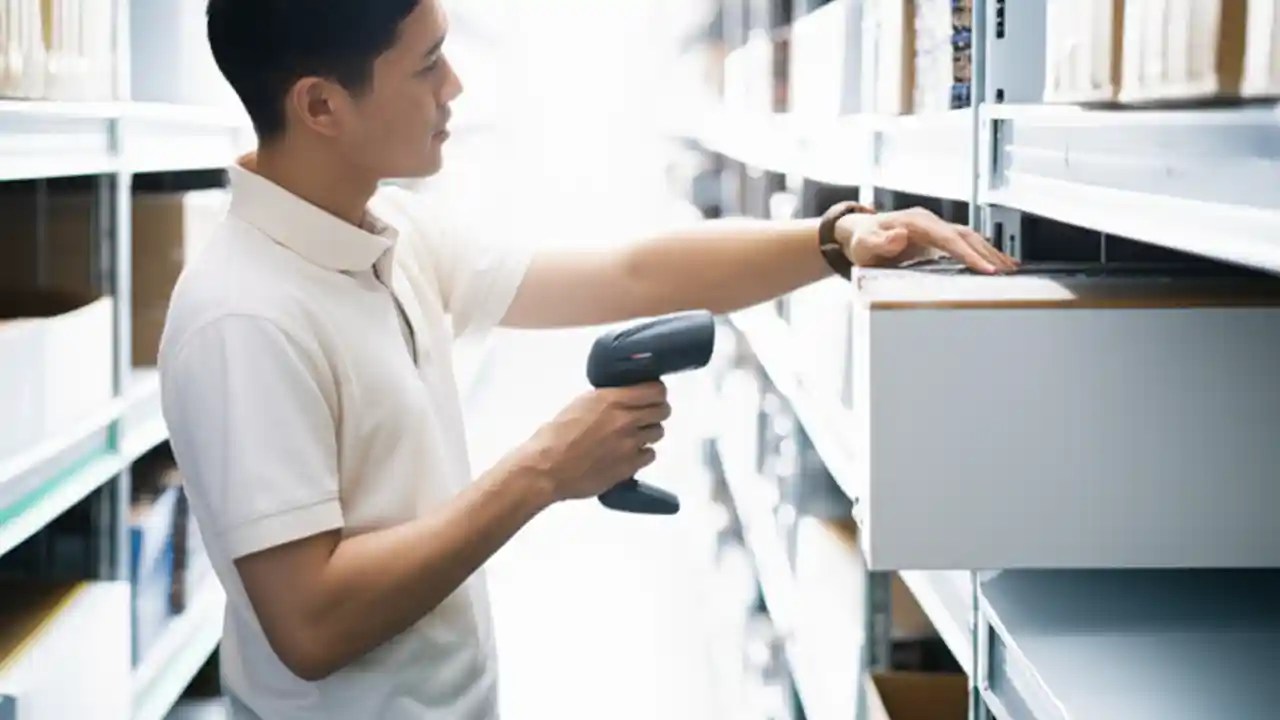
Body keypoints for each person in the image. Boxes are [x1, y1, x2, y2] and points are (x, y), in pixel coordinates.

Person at [160, 1, 1017, 718]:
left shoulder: (391, 234)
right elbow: (310, 625)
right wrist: (544, 469)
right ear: (321, 106)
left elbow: (629, 272)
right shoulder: (244, 316)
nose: (453, 88)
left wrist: (838, 238)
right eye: (427, 67)